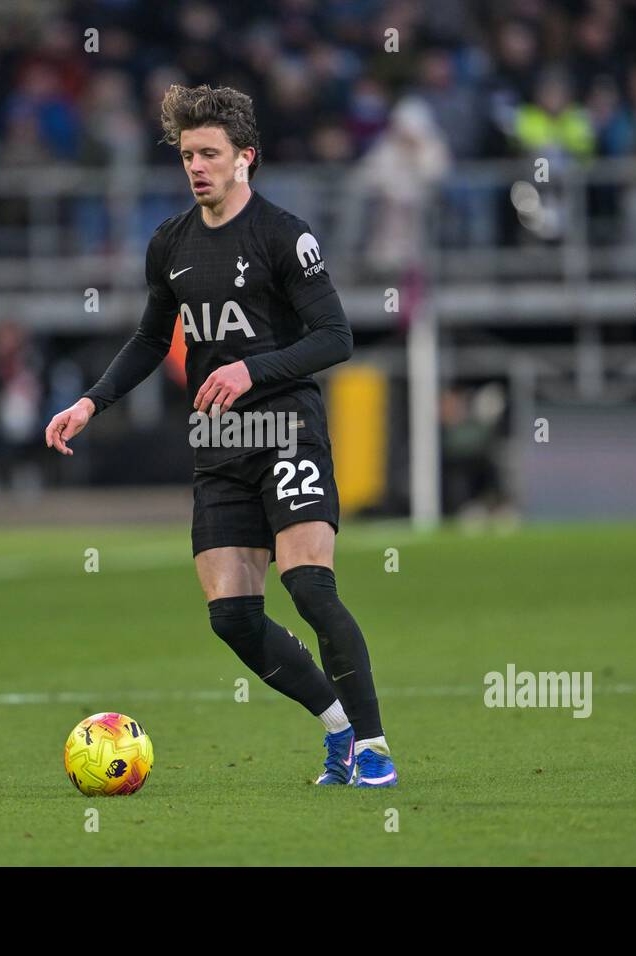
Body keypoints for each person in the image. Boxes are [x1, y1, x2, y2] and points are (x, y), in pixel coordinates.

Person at [44, 84, 397, 787]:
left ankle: (376, 750)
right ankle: (338, 731)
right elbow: (151, 340)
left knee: (310, 588)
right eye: (187, 155)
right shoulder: (169, 243)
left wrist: (250, 369)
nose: (196, 167)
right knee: (232, 617)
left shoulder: (283, 235)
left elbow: (336, 336)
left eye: (210, 154)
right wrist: (91, 402)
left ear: (246, 159)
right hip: (218, 447)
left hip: (287, 431)